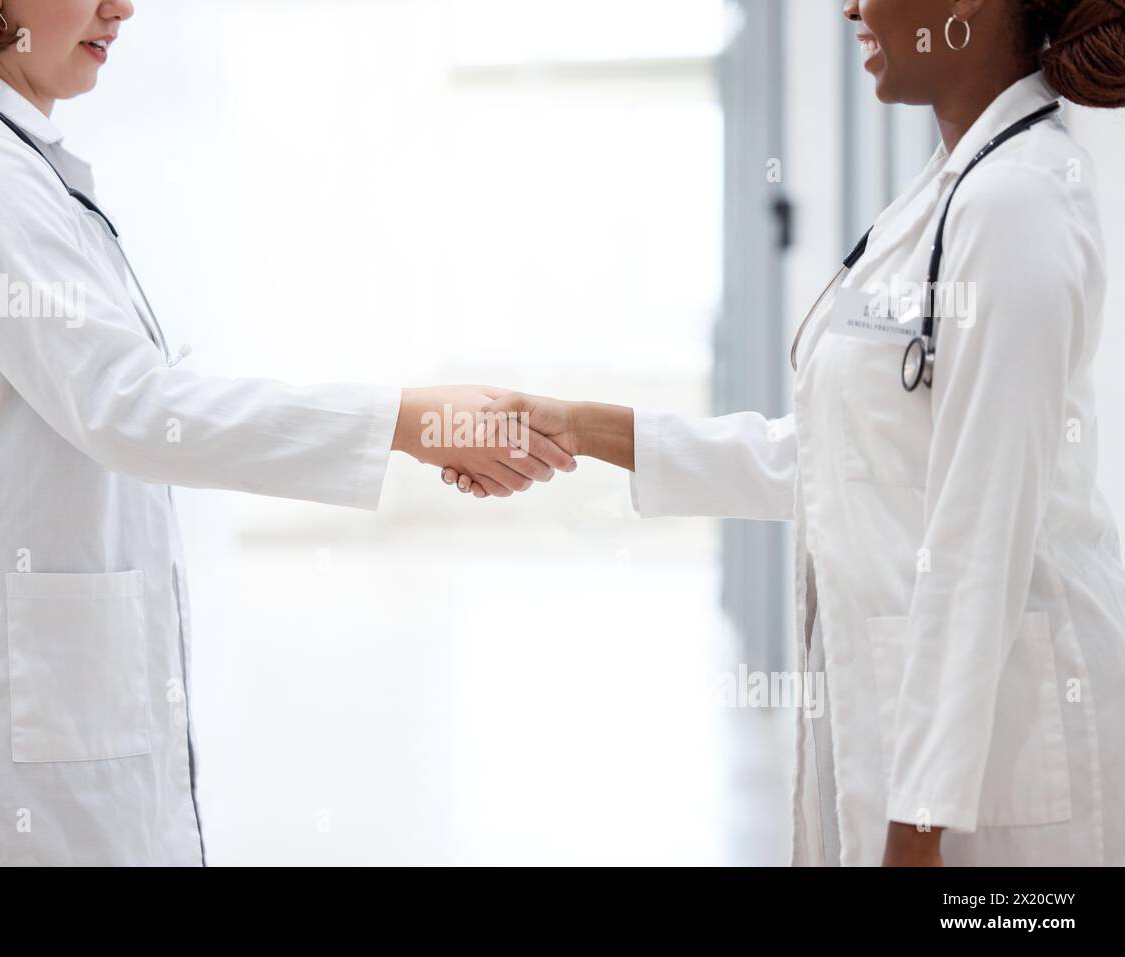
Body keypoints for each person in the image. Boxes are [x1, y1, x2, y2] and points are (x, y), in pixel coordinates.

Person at [0, 0, 575, 865]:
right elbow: (134, 406)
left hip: (31, 714)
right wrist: (406, 421)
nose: (122, 6)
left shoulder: (15, 159)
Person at [446, 0, 1125, 866]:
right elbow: (833, 458)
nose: (851, 6)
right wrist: (576, 426)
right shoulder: (951, 189)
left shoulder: (1016, 202)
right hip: (921, 736)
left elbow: (981, 539)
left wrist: (918, 824)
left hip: (1004, 772)